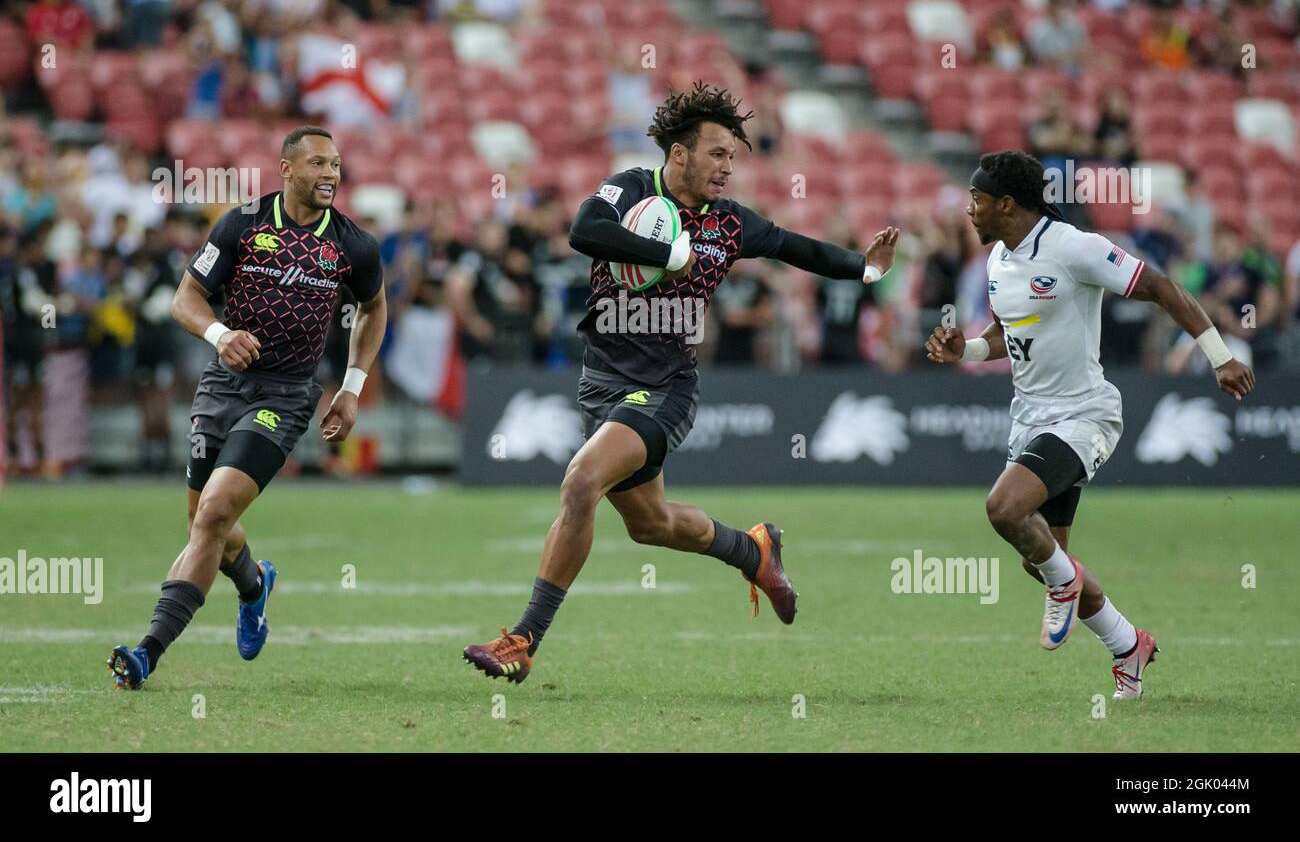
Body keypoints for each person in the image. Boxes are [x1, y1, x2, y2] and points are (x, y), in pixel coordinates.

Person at [463, 83, 900, 683]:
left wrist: (865, 267)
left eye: (733, 157)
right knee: (652, 525)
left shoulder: (730, 223)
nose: (727, 167)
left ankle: (524, 638)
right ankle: (754, 550)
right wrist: (667, 254)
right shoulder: (632, 188)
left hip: (665, 386)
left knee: (581, 481)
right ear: (679, 153)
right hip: (601, 383)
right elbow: (585, 230)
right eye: (717, 154)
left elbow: (795, 248)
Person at [926, 151, 1254, 699]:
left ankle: (1064, 582)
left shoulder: (1074, 247)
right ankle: (1129, 645)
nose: (968, 210)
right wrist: (969, 347)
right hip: (1029, 419)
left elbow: (1162, 288)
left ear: (1007, 204)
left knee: (1004, 509)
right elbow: (1013, 334)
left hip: (1085, 414)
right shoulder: (998, 261)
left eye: (977, 200)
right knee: (1043, 561)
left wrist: (1219, 355)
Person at [107, 126, 387, 690]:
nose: (330, 173)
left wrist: (352, 385)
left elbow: (374, 307)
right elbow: (184, 298)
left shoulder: (353, 245)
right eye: (317, 163)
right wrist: (219, 334)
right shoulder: (242, 223)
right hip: (221, 387)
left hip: (284, 397)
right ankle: (254, 585)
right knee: (205, 524)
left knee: (212, 514)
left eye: (335, 164)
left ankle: (146, 653)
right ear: (286, 169)